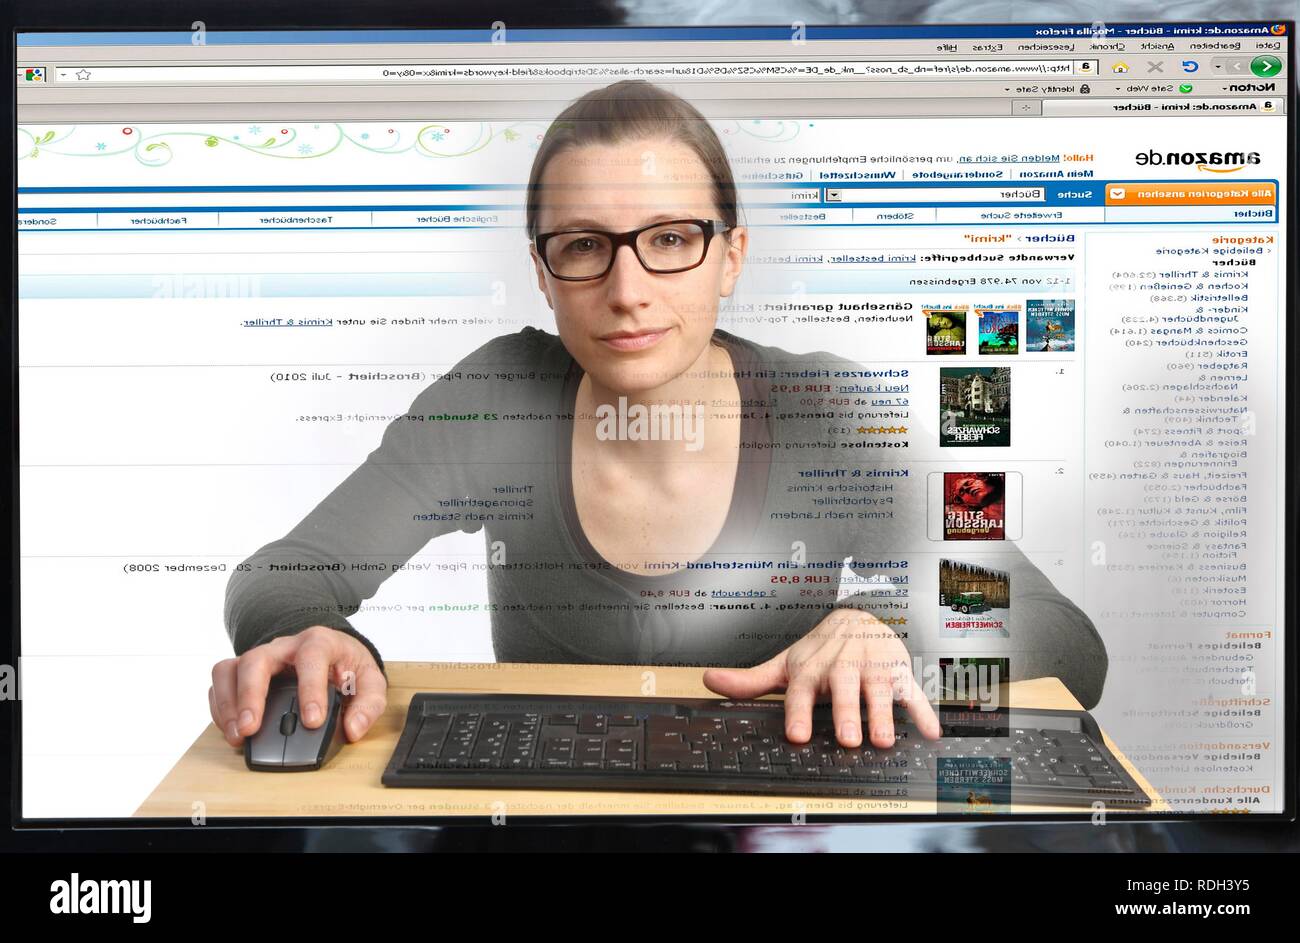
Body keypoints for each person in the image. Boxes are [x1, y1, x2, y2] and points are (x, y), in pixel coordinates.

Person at [212, 80, 1107, 759]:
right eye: (586, 246)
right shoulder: (500, 394)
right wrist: (315, 637)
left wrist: (894, 624)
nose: (628, 292)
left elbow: (1062, 632)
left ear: (731, 257)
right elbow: (283, 574)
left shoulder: (838, 410)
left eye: (671, 239)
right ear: (543, 268)